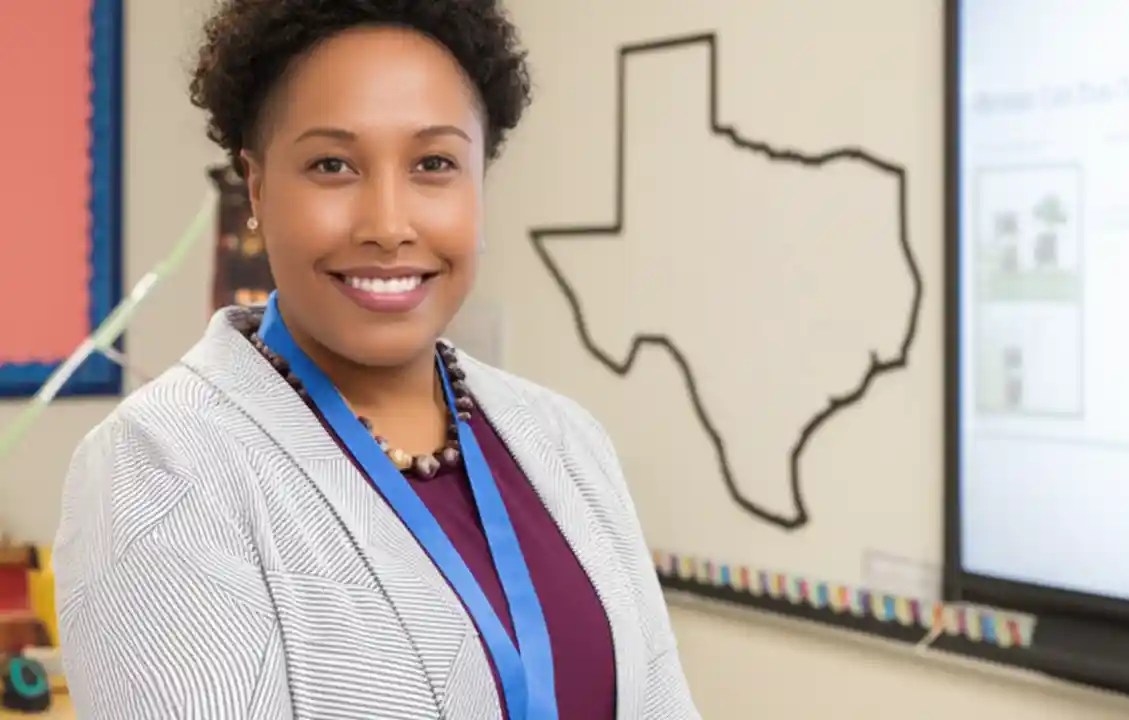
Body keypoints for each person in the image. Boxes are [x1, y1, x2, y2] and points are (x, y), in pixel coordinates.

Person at [51, 1, 699, 718]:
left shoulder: (568, 442)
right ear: (257, 186)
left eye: (434, 164)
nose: (388, 226)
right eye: (333, 165)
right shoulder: (163, 466)